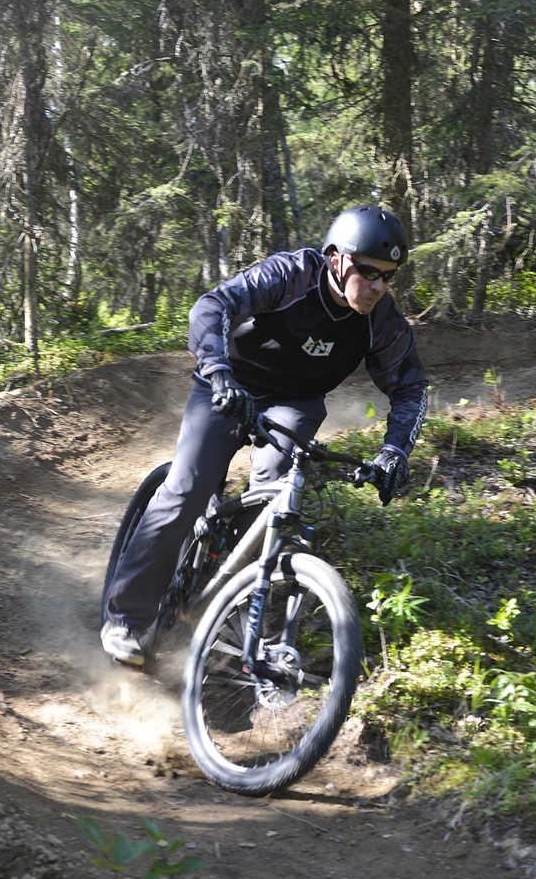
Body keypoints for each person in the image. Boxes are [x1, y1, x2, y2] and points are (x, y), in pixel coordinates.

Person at [101, 203, 428, 666]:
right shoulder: (291, 275)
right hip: (230, 386)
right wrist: (217, 373)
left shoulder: (380, 319)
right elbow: (212, 306)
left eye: (388, 276)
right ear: (336, 259)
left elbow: (410, 385)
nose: (377, 286)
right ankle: (125, 618)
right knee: (187, 490)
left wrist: (395, 451)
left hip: (295, 404)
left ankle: (229, 621)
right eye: (367, 271)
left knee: (272, 500)